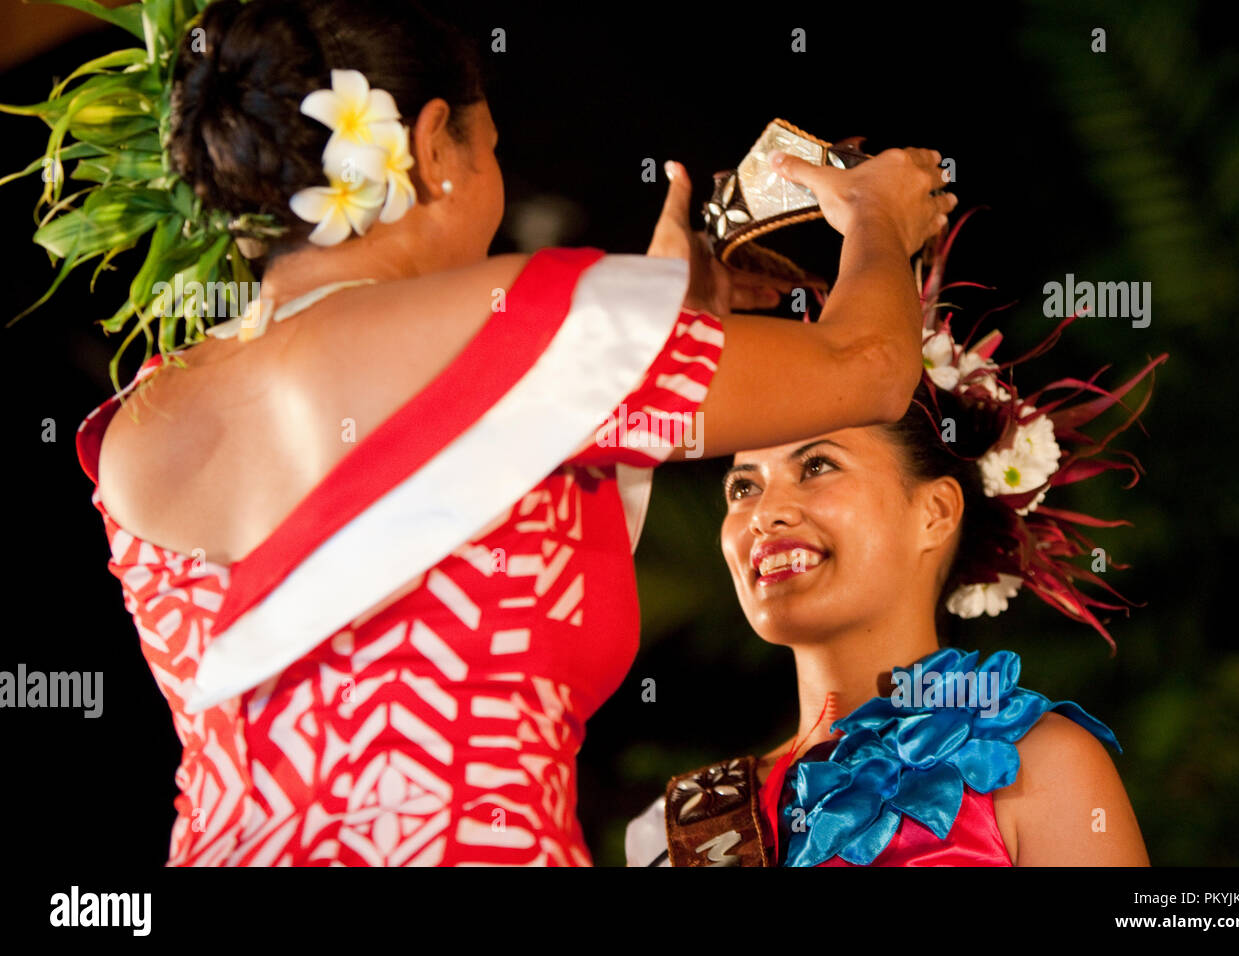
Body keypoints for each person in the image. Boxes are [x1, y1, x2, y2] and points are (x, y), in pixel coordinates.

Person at [39, 0, 957, 864]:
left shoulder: (141, 418)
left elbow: (470, 498)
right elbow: (870, 369)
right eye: (490, 146)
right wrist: (879, 217)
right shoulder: (520, 321)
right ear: (436, 144)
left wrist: (659, 325)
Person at [626, 212, 1164, 867]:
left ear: (936, 511)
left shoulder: (1037, 769)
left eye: (817, 466)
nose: (765, 513)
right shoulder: (680, 827)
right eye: (743, 487)